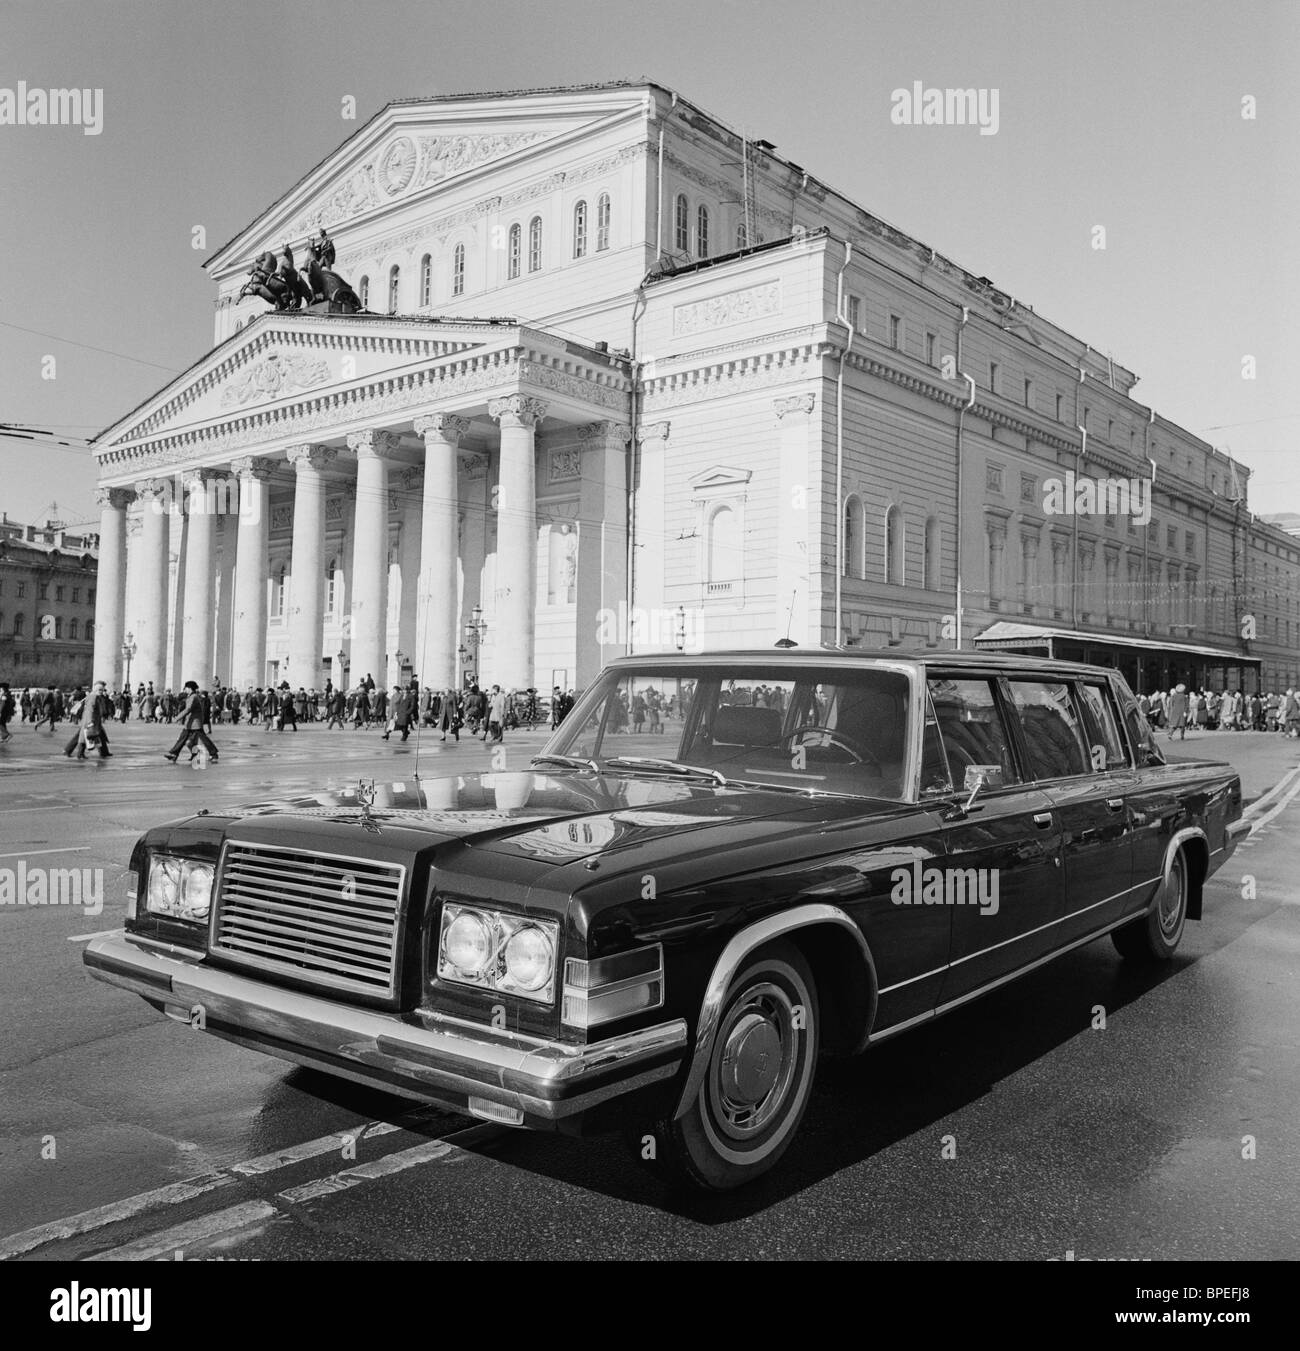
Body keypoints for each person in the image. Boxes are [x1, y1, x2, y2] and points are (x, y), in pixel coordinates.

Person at [165, 681, 220, 763]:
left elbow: (188, 709)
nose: (185, 689)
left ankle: (213, 754)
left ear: (189, 688)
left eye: (186, 688)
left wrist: (177, 718)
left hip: (195, 723)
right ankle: (174, 754)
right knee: (182, 739)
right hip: (191, 723)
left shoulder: (193, 697)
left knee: (204, 740)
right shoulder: (192, 696)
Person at [65, 682, 113, 759]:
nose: (102, 691)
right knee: (85, 737)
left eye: (102, 690)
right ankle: (79, 753)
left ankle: (104, 752)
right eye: (100, 690)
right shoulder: (93, 697)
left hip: (93, 720)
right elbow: (90, 710)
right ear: (97, 690)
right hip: (91, 720)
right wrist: (90, 722)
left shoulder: (95, 696)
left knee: (97, 735)